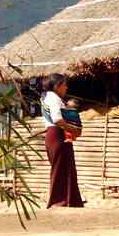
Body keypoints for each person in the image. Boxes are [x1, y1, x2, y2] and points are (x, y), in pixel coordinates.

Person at [40, 73, 85, 208]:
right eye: (64, 86)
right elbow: (57, 119)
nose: (66, 88)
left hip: (53, 136)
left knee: (64, 167)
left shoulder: (45, 97)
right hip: (57, 135)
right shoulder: (54, 99)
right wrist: (72, 130)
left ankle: (69, 200)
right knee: (60, 168)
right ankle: (59, 201)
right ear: (56, 87)